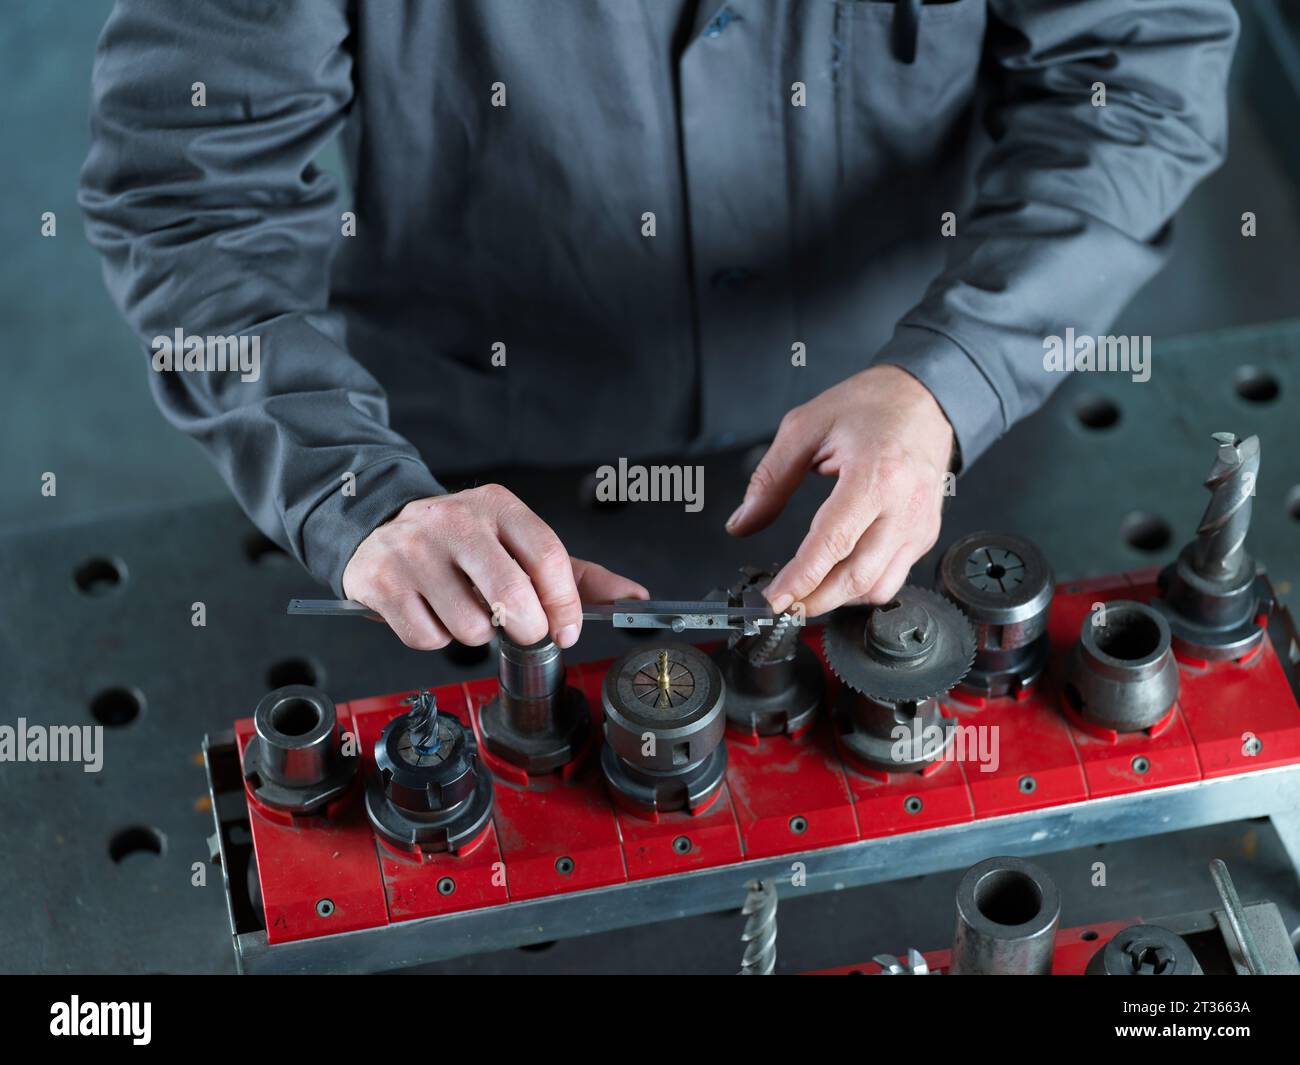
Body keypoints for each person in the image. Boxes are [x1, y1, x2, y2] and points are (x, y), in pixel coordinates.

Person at [79, 0, 1238, 651]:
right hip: (466, 471)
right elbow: (192, 198)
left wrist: (953, 376)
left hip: (918, 424)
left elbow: (1135, 70)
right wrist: (355, 491)